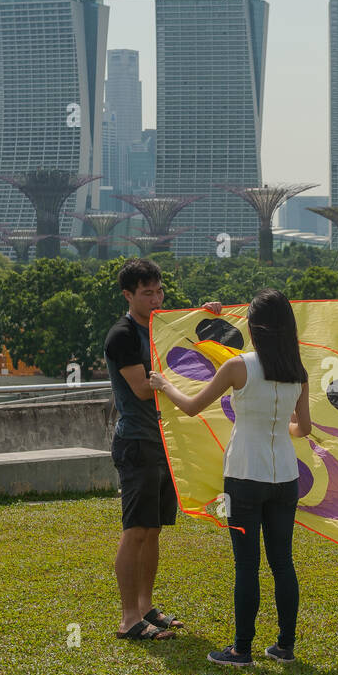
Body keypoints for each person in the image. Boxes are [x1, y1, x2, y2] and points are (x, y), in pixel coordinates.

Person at [152, 288, 311, 667]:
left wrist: (164, 385)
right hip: (285, 477)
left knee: (246, 565)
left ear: (253, 329)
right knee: (283, 563)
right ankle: (284, 647)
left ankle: (242, 649)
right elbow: (302, 427)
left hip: (244, 477)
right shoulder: (297, 371)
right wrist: (277, 423)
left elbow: (191, 407)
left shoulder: (238, 366)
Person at [104, 257, 222, 642]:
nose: (156, 299)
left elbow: (195, 346)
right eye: (147, 293)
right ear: (128, 295)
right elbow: (141, 388)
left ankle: (146, 606)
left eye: (159, 291)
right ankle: (128, 619)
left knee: (153, 530)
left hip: (165, 443)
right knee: (134, 530)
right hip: (136, 442)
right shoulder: (122, 336)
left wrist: (208, 317)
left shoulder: (163, 327)